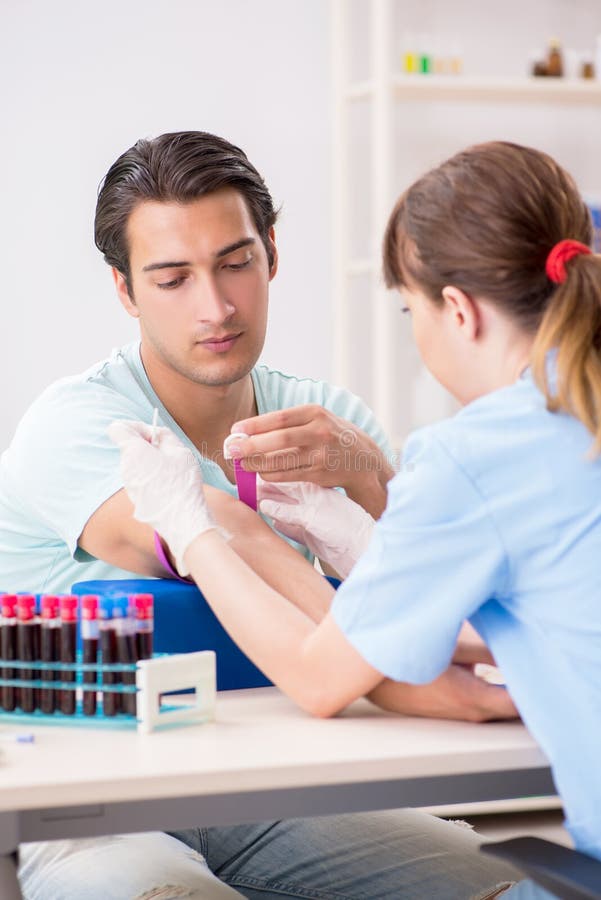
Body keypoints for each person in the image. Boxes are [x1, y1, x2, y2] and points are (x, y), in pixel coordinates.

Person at [0, 132, 518, 898]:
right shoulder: (74, 424)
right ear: (124, 289)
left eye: (235, 263)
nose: (215, 307)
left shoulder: (329, 421)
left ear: (272, 251)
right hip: (95, 807)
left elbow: (438, 579)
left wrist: (373, 477)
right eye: (172, 278)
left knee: (498, 885)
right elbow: (221, 536)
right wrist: (406, 685)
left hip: (277, 794)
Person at [111, 140, 601, 900]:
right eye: (172, 277)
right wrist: (361, 542)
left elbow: (317, 679)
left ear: (459, 311)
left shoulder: (474, 451)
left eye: (411, 310)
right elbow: (555, 613)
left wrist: (188, 523)